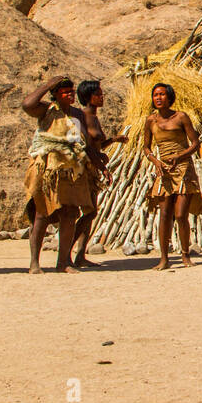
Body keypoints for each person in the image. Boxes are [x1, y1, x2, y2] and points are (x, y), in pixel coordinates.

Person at [22, 76, 93, 274]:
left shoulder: (78, 115)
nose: (70, 94)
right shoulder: (46, 110)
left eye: (72, 91)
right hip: (49, 167)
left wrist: (97, 163)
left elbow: (84, 143)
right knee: (42, 213)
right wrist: (47, 85)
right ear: (55, 94)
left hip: (72, 169)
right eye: (65, 91)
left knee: (70, 214)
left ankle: (64, 262)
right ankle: (34, 263)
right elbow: (27, 105)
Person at [142, 81, 202, 270]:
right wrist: (155, 161)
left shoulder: (181, 117)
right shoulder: (150, 121)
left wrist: (180, 156)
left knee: (180, 215)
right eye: (155, 95)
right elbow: (146, 147)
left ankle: (185, 255)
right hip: (164, 171)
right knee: (164, 215)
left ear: (169, 97)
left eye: (162, 94)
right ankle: (164, 258)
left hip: (183, 168)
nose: (158, 98)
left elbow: (195, 143)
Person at [71, 80, 123, 269]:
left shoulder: (94, 117)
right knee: (89, 212)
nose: (102, 97)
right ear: (88, 97)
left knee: (91, 212)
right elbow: (83, 146)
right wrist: (102, 165)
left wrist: (113, 140)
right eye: (98, 94)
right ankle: (67, 251)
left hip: (93, 170)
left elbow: (96, 146)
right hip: (84, 169)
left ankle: (80, 255)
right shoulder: (82, 117)